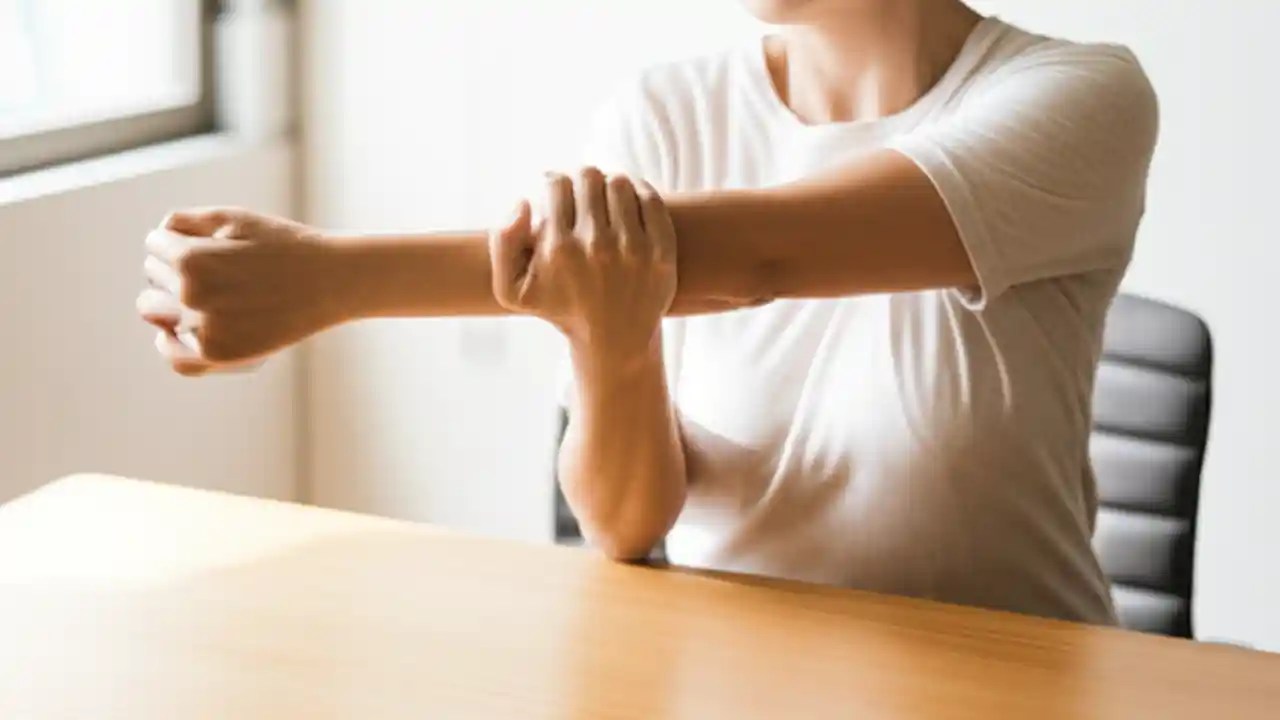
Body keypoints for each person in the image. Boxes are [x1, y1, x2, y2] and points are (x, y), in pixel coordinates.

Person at [138, 0, 1158, 625]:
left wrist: (326, 281)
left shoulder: (1080, 97)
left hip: (1007, 686)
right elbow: (625, 526)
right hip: (729, 674)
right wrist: (613, 342)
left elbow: (757, 254)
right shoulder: (659, 114)